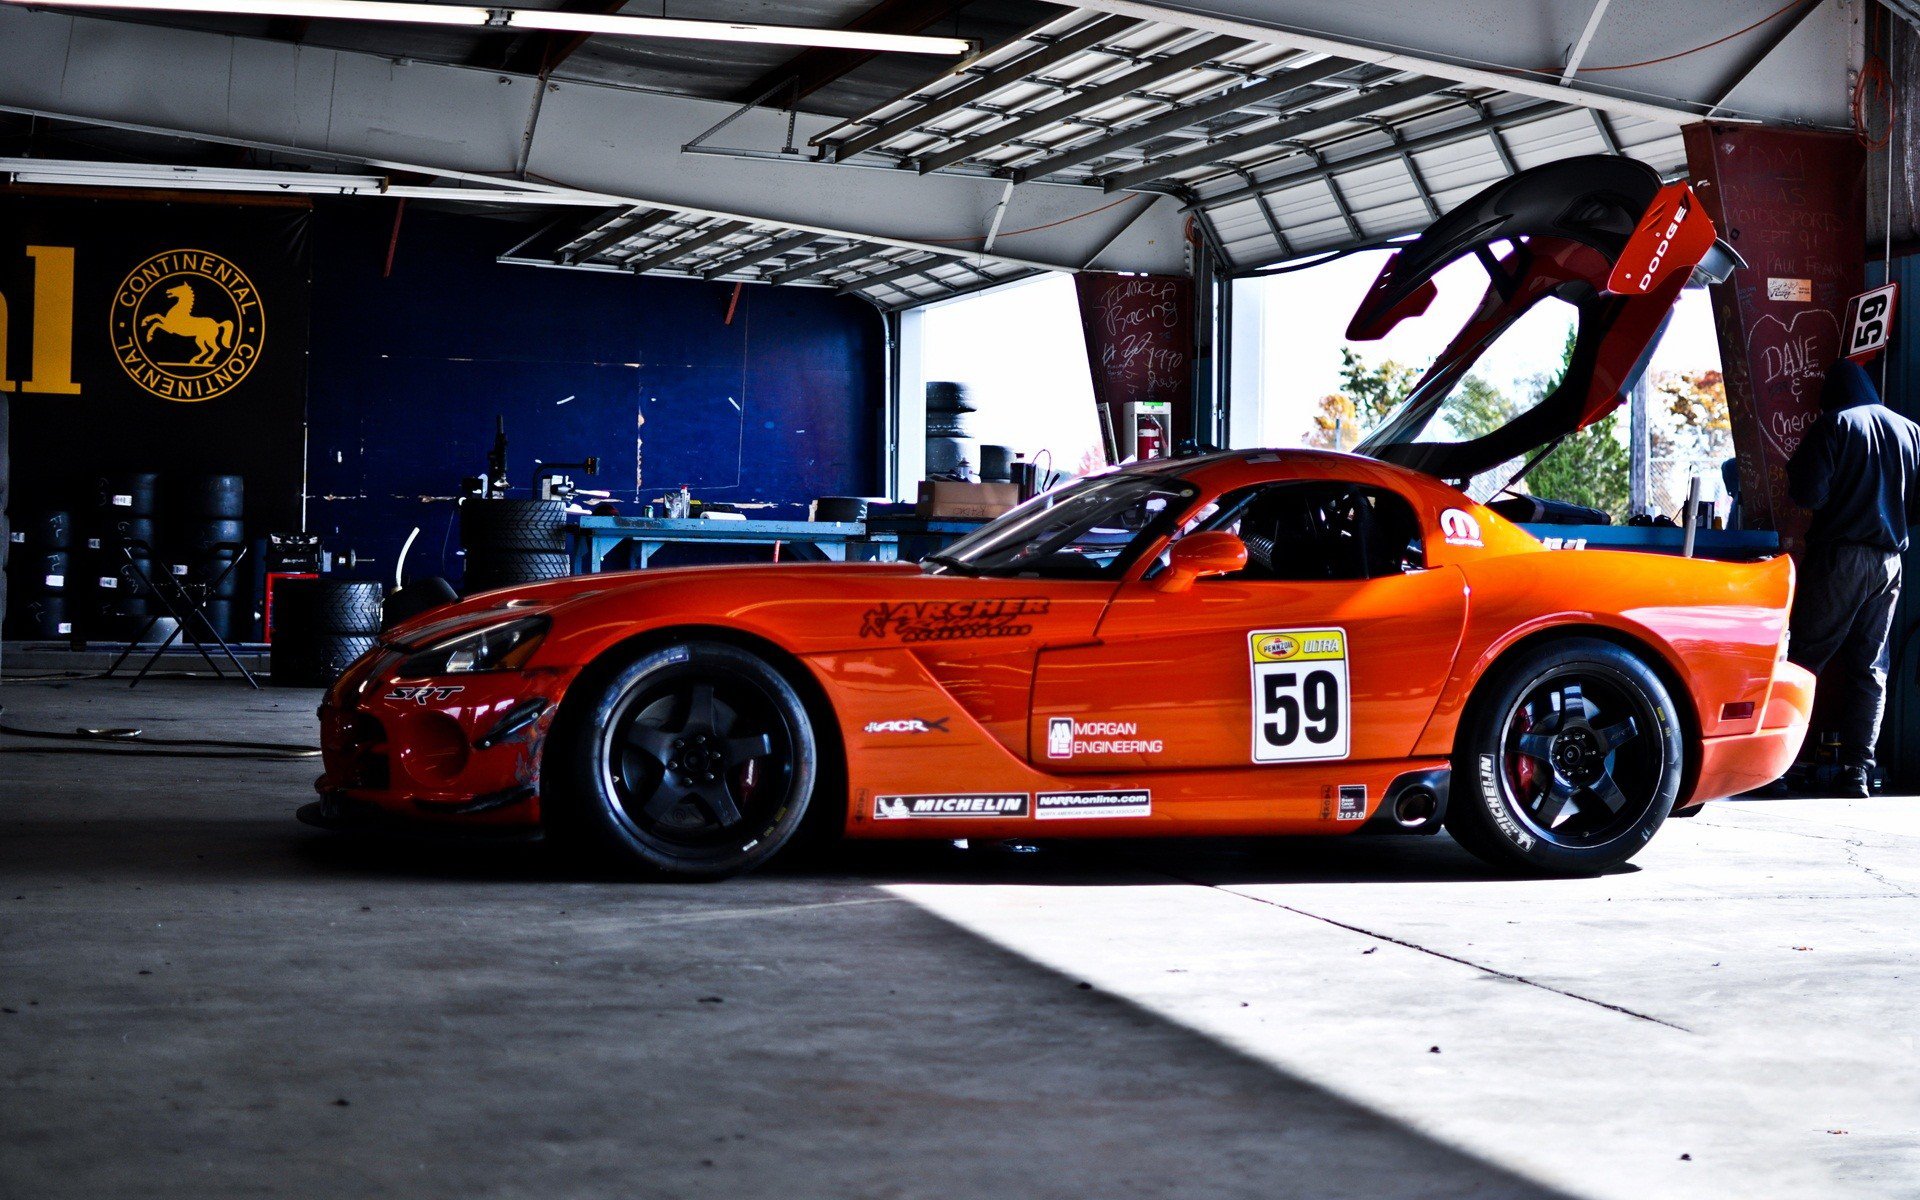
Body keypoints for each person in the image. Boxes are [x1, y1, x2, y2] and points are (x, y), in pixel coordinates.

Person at [1782, 359, 1920, 797]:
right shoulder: (1911, 432)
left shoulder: (1835, 424)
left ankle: (1782, 764)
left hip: (1840, 557)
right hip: (1890, 563)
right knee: (1871, 667)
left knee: (1804, 658)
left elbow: (1809, 494)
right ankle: (1858, 770)